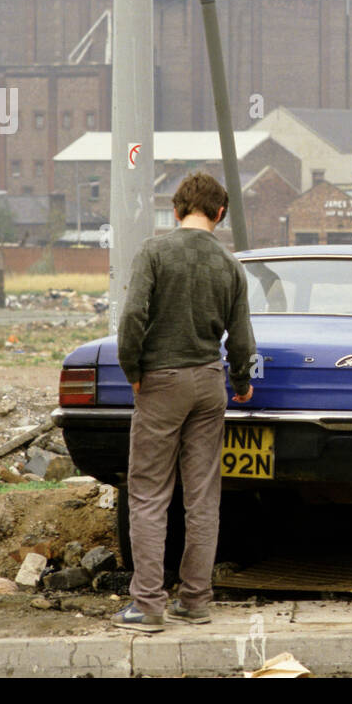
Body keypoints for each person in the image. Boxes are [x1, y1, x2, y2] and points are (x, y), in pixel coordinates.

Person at [113, 172, 257, 632]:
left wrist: (133, 371)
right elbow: (242, 336)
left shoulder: (155, 252)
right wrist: (239, 380)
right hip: (210, 383)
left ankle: (148, 604)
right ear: (220, 214)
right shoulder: (231, 264)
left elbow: (133, 317)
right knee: (203, 496)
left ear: (175, 211)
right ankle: (195, 600)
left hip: (161, 382)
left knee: (151, 493)